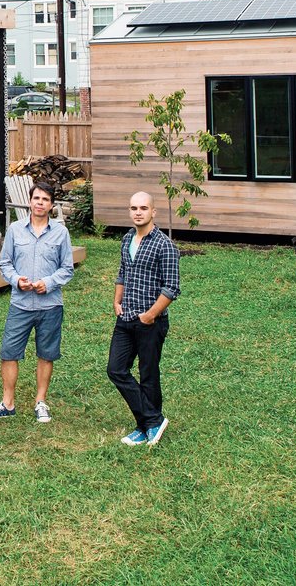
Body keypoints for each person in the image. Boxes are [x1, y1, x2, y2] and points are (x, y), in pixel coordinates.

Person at [0, 180, 73, 424]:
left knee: (46, 354)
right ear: (30, 202)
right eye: (36, 198)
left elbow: (67, 269)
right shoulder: (15, 230)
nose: (40, 203)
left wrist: (49, 283)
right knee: (9, 352)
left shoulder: (61, 233)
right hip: (20, 304)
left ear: (51, 205)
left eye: (45, 199)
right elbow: (5, 262)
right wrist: (15, 280)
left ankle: (41, 402)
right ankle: (7, 403)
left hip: (50, 305)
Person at [108, 189, 181, 447]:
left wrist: (150, 315)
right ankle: (152, 420)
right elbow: (122, 273)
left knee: (148, 373)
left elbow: (171, 287)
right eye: (133, 208)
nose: (138, 212)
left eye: (143, 208)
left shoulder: (165, 245)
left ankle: (145, 425)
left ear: (153, 211)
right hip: (125, 317)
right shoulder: (127, 238)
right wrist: (117, 301)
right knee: (116, 370)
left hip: (151, 321)